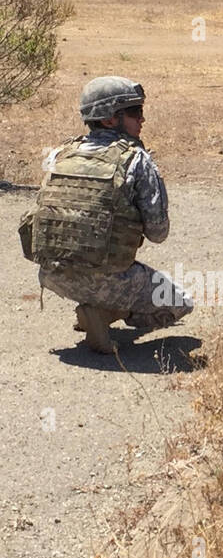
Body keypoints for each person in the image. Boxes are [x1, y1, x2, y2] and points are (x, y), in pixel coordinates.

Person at [18, 76, 193, 354]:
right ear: (111, 119)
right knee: (181, 302)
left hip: (52, 275)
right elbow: (158, 233)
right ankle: (104, 313)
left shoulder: (60, 154)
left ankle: (98, 310)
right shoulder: (136, 159)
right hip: (108, 279)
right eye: (135, 112)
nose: (142, 119)